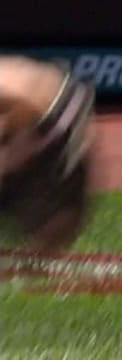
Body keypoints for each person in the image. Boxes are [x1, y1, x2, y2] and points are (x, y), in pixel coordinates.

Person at [0, 54, 96, 255]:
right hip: (58, 97)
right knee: (53, 238)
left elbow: (18, 106)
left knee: (53, 234)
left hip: (48, 112)